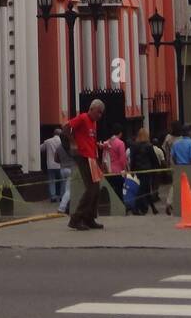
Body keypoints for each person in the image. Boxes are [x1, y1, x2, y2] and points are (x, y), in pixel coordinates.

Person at [62, 99, 105, 231]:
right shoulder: (82, 118)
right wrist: (73, 142)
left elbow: (90, 139)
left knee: (96, 189)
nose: (100, 115)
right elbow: (66, 127)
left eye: (101, 113)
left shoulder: (93, 122)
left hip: (92, 157)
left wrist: (97, 153)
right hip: (83, 156)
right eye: (98, 112)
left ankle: (89, 218)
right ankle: (76, 218)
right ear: (91, 109)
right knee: (91, 188)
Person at [130, 128, 162, 215]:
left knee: (146, 189)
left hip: (138, 170)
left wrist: (132, 170)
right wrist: (157, 169)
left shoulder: (134, 146)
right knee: (143, 188)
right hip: (147, 170)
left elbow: (132, 160)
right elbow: (154, 159)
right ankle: (135, 207)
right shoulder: (149, 146)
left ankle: (153, 208)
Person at [104, 125, 128, 199]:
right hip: (118, 171)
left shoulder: (106, 143)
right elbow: (122, 159)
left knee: (111, 192)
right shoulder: (120, 143)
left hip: (108, 171)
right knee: (119, 192)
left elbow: (104, 158)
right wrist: (125, 169)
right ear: (120, 133)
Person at [41, 127, 64, 202]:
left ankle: (53, 197)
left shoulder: (48, 141)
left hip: (50, 165)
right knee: (62, 181)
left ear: (53, 133)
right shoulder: (62, 142)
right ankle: (61, 196)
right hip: (60, 165)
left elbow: (40, 149)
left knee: (51, 181)